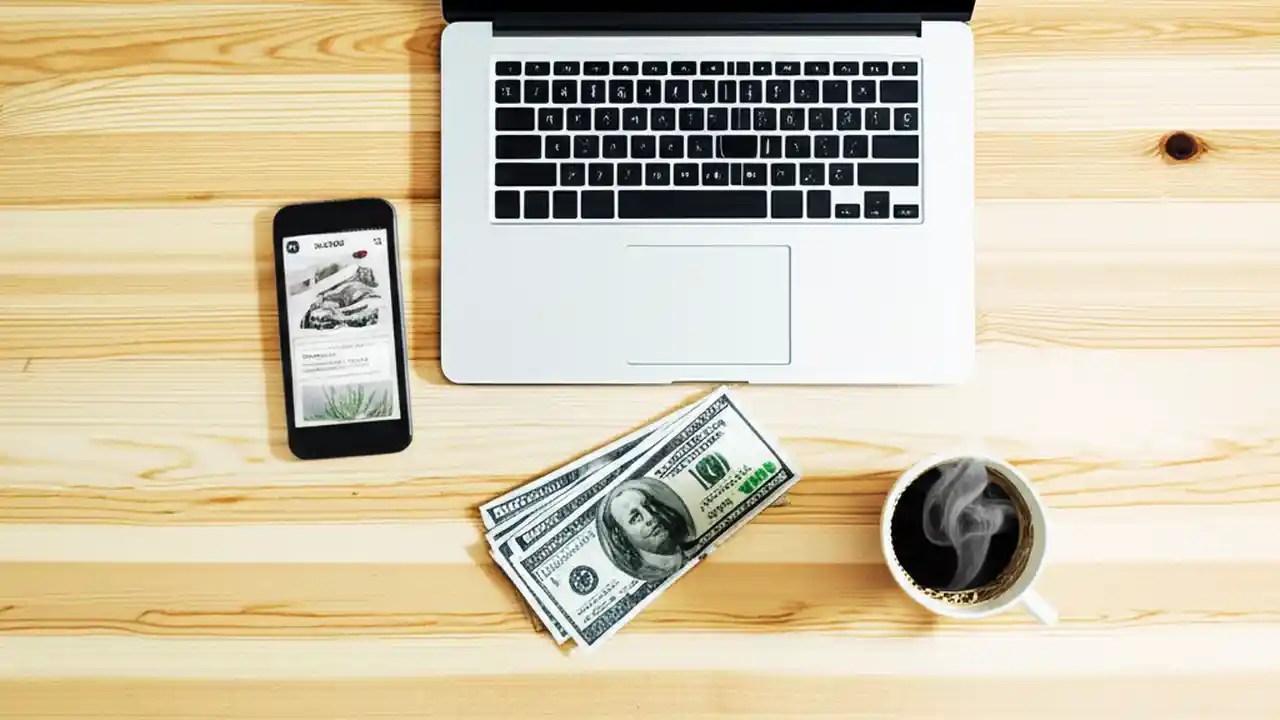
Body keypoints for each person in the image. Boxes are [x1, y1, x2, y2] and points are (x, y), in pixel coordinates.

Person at [595, 476, 695, 581]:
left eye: (649, 507)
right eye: (635, 518)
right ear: (621, 536)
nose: (650, 517)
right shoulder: (648, 574)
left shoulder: (686, 543)